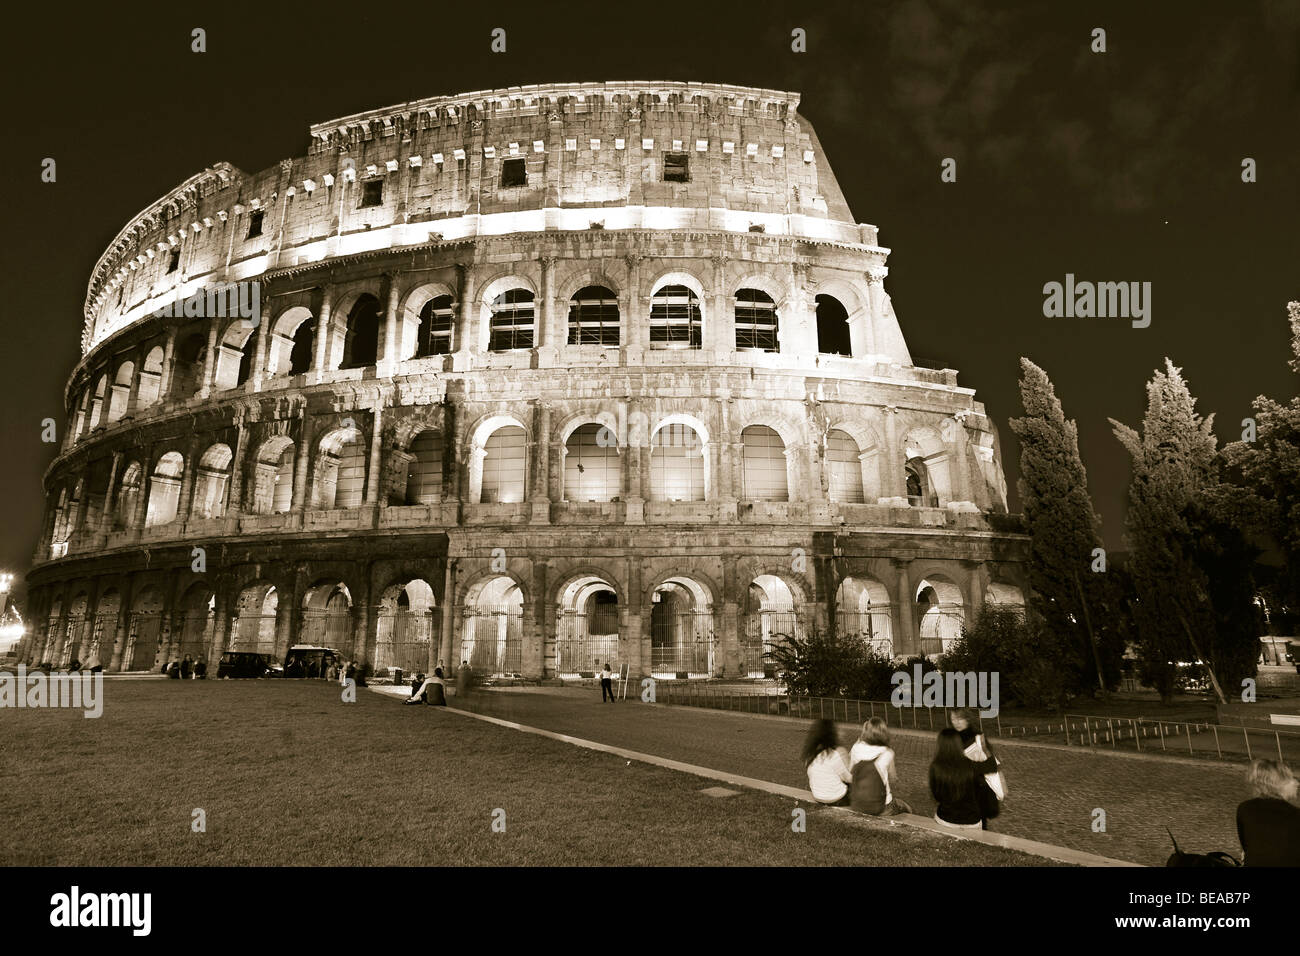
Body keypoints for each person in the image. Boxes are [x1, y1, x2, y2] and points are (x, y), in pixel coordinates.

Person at [929, 727, 999, 830]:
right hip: (971, 820)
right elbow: (992, 766)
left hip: (945, 818)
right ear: (959, 744)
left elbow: (937, 796)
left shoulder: (935, 766)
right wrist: (984, 747)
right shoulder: (970, 765)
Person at [1236, 759, 1300, 866]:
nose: (1297, 783)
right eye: (1291, 779)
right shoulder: (1296, 815)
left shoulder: (1245, 809)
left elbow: (1246, 845)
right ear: (1277, 785)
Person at [849, 717, 912, 815]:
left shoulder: (856, 748)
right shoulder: (887, 752)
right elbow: (893, 778)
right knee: (906, 807)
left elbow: (850, 771)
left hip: (858, 804)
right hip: (882, 806)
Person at [802, 718, 853, 806]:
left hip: (818, 796)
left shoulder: (810, 753)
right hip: (837, 798)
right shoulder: (836, 752)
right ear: (831, 734)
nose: (841, 732)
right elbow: (848, 778)